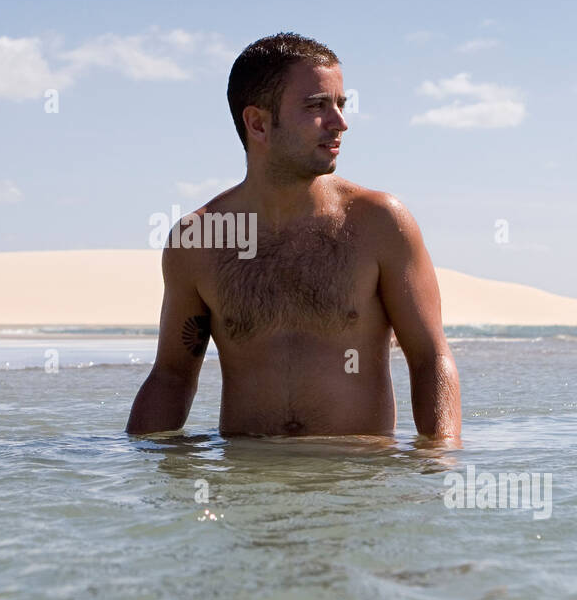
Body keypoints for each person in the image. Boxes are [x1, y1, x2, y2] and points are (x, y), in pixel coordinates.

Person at [126, 32, 461, 443]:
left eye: (341, 104)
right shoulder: (199, 240)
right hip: (247, 482)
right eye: (317, 106)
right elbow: (171, 377)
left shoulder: (378, 223)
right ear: (259, 123)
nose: (340, 122)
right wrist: (136, 468)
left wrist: (442, 457)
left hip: (355, 484)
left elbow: (430, 359)